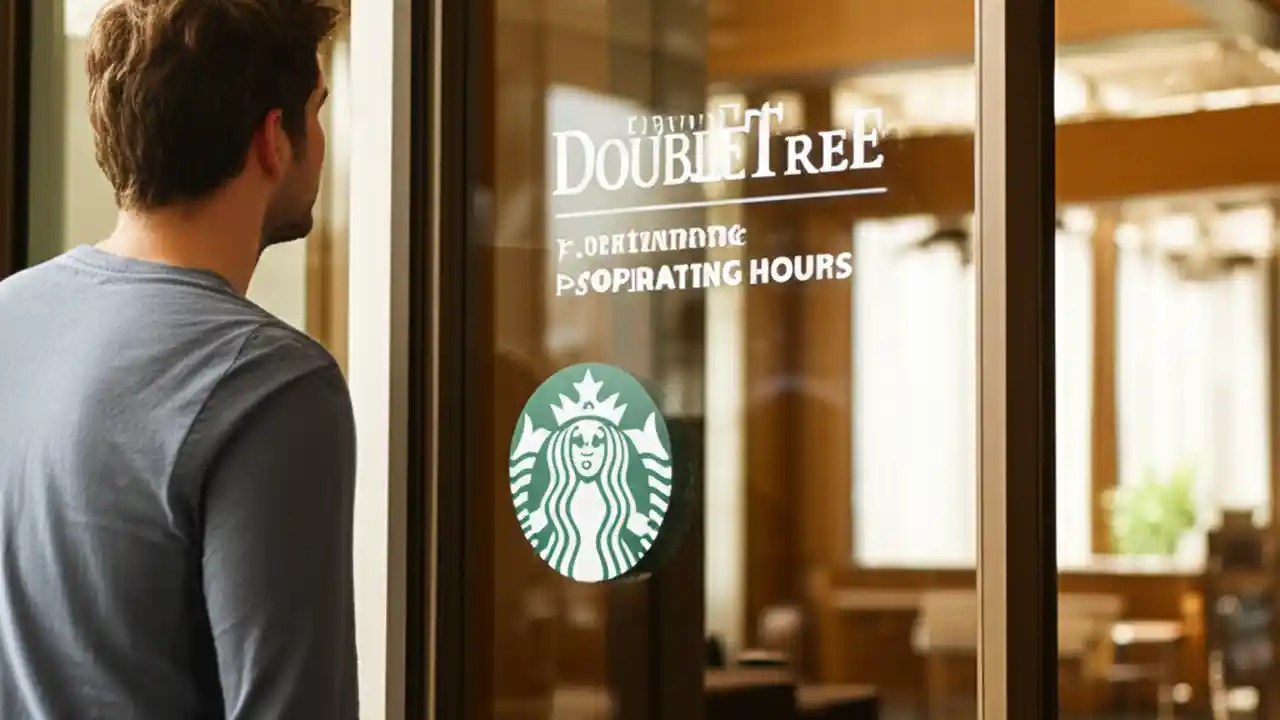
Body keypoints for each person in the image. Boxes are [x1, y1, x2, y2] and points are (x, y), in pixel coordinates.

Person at [0, 1, 357, 718]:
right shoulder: (270, 385)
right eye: (315, 110)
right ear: (272, 140)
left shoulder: (8, 316)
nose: (321, 139)